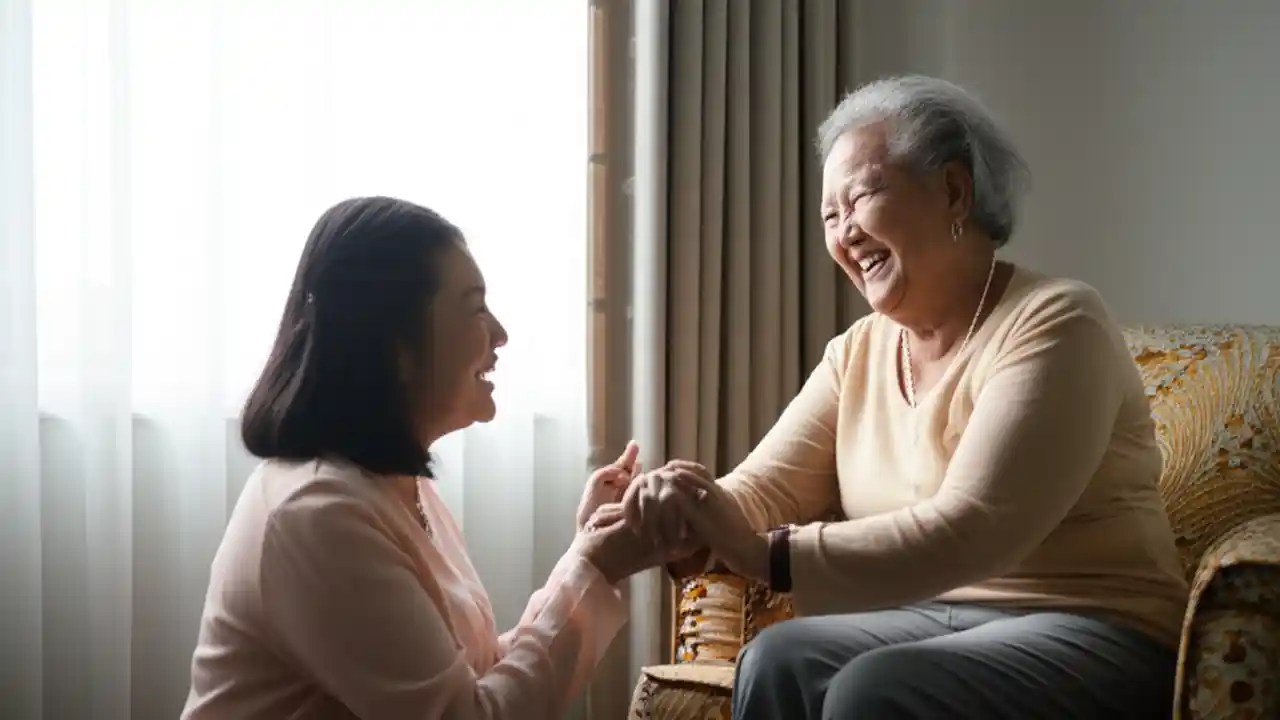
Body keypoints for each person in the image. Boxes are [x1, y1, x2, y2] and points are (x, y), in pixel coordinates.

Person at [625, 76, 1189, 719]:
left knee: (877, 687)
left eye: (860, 198)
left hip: (1093, 623)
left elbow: (972, 528)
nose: (845, 235)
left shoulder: (1057, 323)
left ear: (954, 190)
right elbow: (763, 491)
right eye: (830, 217)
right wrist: (675, 515)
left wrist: (763, 555)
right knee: (780, 659)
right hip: (932, 623)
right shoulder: (859, 351)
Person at [182, 197, 657, 719]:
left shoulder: (393, 485)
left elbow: (478, 679)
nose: (499, 333)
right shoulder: (317, 515)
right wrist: (591, 566)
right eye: (475, 307)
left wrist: (587, 552)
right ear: (395, 345)